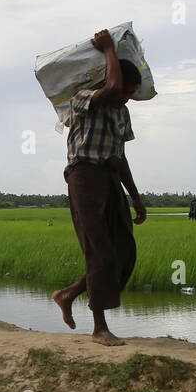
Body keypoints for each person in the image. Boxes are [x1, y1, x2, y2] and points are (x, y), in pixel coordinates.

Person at [51, 31, 147, 344]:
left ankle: (68, 294)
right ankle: (99, 328)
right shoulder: (81, 97)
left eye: (131, 93)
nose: (125, 96)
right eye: (124, 90)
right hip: (84, 177)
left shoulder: (122, 111)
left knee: (124, 251)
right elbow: (112, 88)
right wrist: (108, 48)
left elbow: (120, 157)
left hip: (109, 178)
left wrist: (135, 196)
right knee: (100, 252)